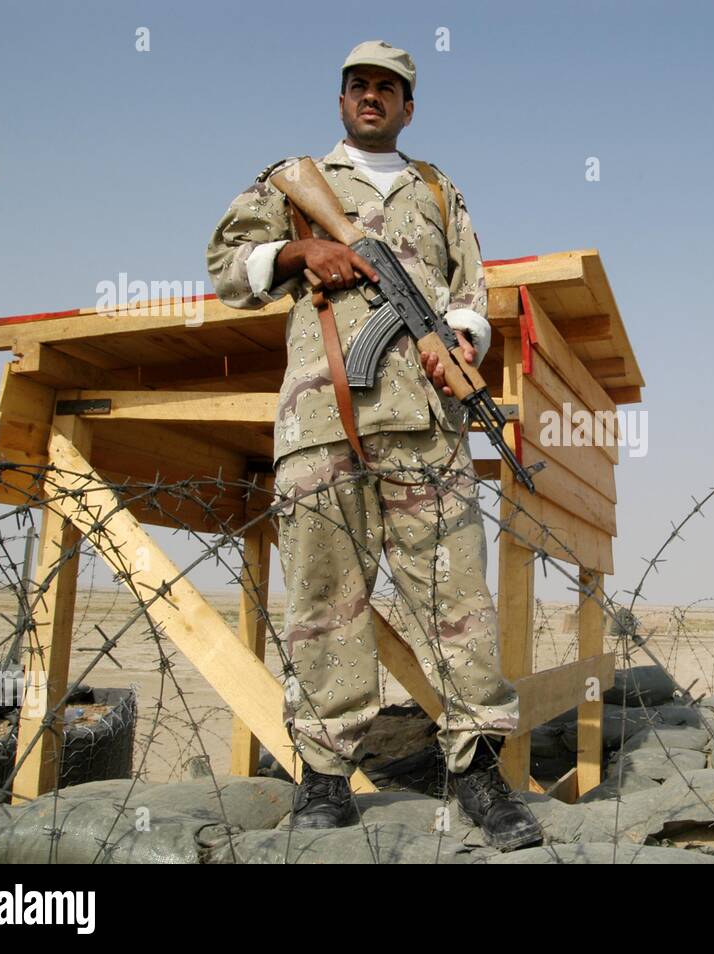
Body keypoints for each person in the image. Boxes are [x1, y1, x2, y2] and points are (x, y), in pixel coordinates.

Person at [206, 40, 541, 850]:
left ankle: (479, 772)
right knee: (326, 601)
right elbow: (226, 266)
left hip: (428, 428)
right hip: (321, 427)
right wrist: (299, 251)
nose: (371, 96)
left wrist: (455, 339)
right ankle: (324, 781)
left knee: (456, 602)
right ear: (343, 98)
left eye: (388, 88)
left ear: (408, 106)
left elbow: (471, 293)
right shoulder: (292, 180)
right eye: (358, 84)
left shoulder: (437, 188)